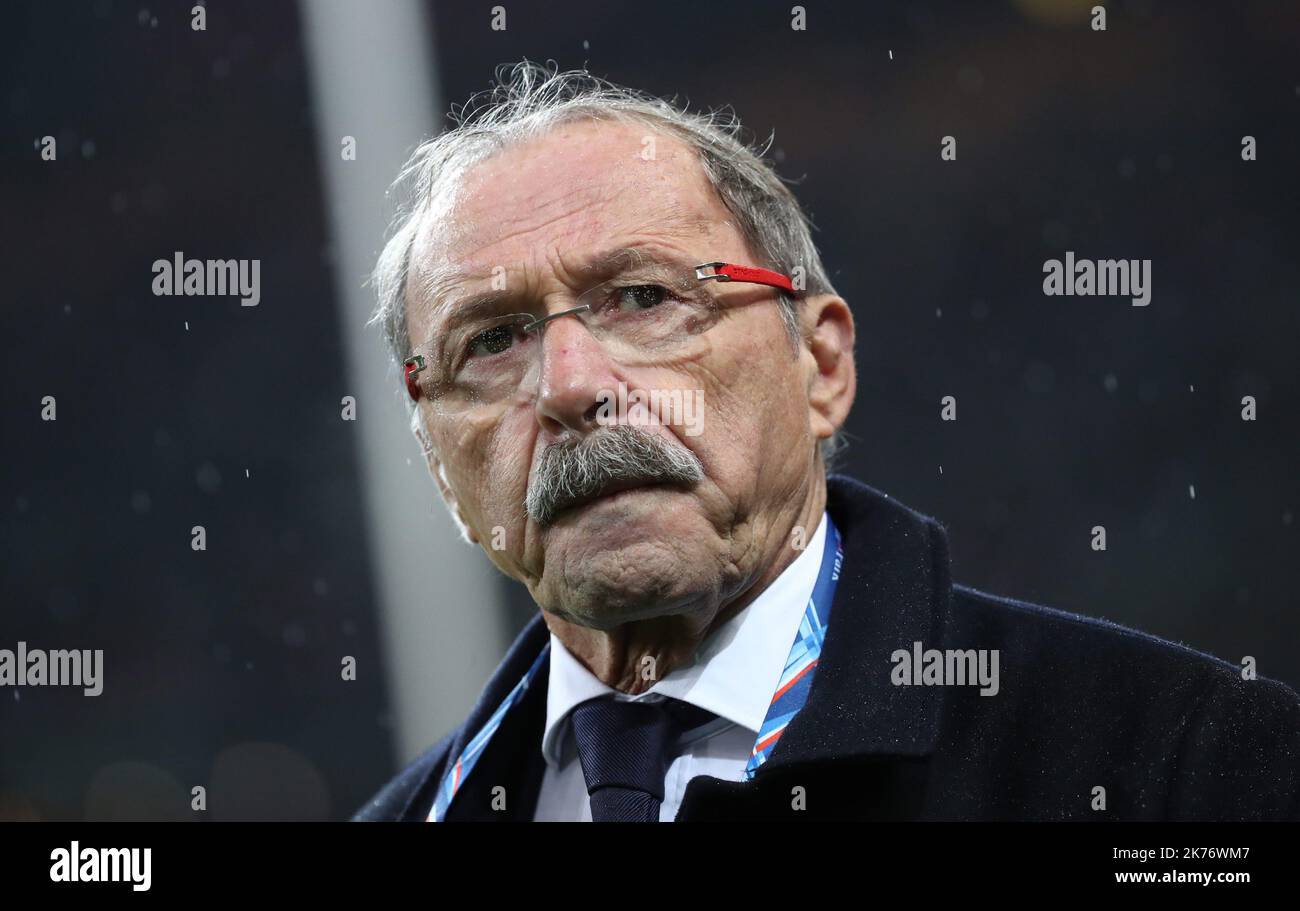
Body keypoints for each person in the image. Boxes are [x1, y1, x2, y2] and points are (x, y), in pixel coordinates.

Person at [355, 63, 1300, 821]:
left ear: (820, 362)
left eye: (645, 297)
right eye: (491, 340)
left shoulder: (1185, 760)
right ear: (437, 458)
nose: (567, 385)